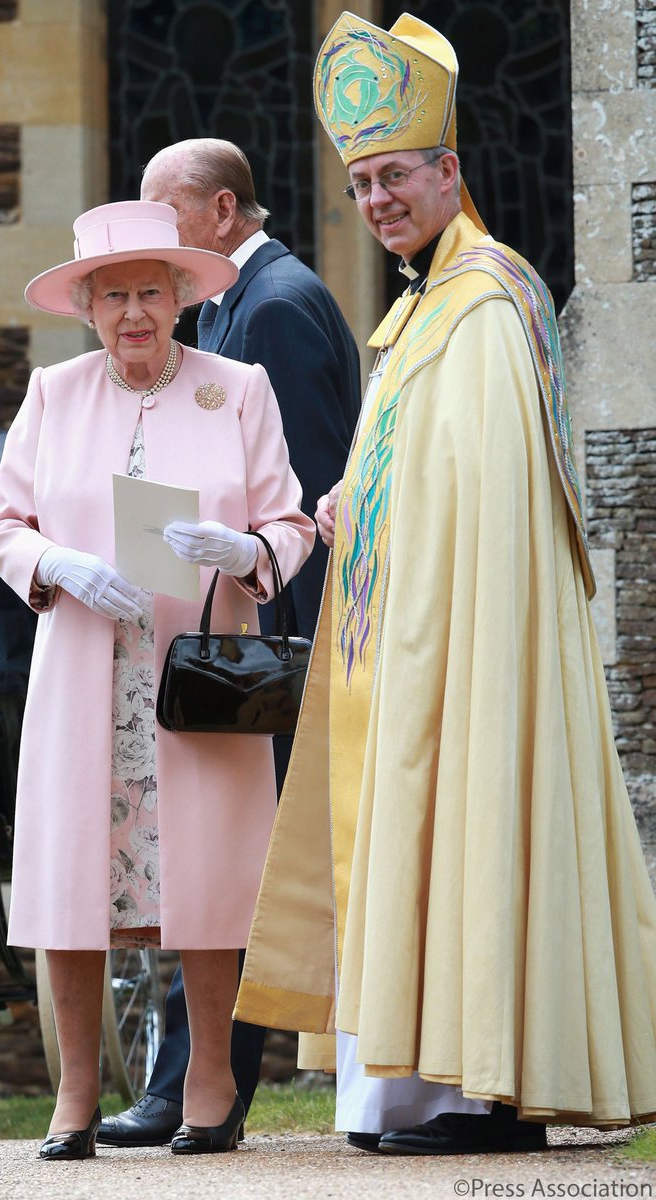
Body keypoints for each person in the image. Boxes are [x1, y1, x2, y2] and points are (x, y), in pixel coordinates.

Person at [235, 9, 656, 1156]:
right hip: (407, 631)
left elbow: (495, 495)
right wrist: (345, 502)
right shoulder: (417, 307)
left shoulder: (485, 298)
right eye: (361, 182)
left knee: (474, 820)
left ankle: (488, 1088)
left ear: (449, 170)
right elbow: (408, 468)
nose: (375, 201)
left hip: (468, 635)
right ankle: (416, 1089)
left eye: (393, 178)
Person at [0, 200, 314, 1159]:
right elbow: (0, 525)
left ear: (179, 297)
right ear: (86, 306)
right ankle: (75, 1094)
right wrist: (55, 565)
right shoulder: (53, 392)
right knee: (74, 881)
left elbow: (291, 526)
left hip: (195, 672)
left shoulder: (238, 388)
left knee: (209, 879)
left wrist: (243, 546)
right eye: (113, 293)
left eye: (149, 291)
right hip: (88, 670)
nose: (133, 311)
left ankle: (210, 1083)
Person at [98, 138, 362, 1148]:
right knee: (217, 866)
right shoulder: (239, 307)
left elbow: (299, 499)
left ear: (217, 211)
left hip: (264, 646)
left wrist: (257, 637)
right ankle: (197, 1086)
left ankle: (194, 1090)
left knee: (226, 868)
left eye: (164, 219)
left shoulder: (278, 307)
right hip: (234, 630)